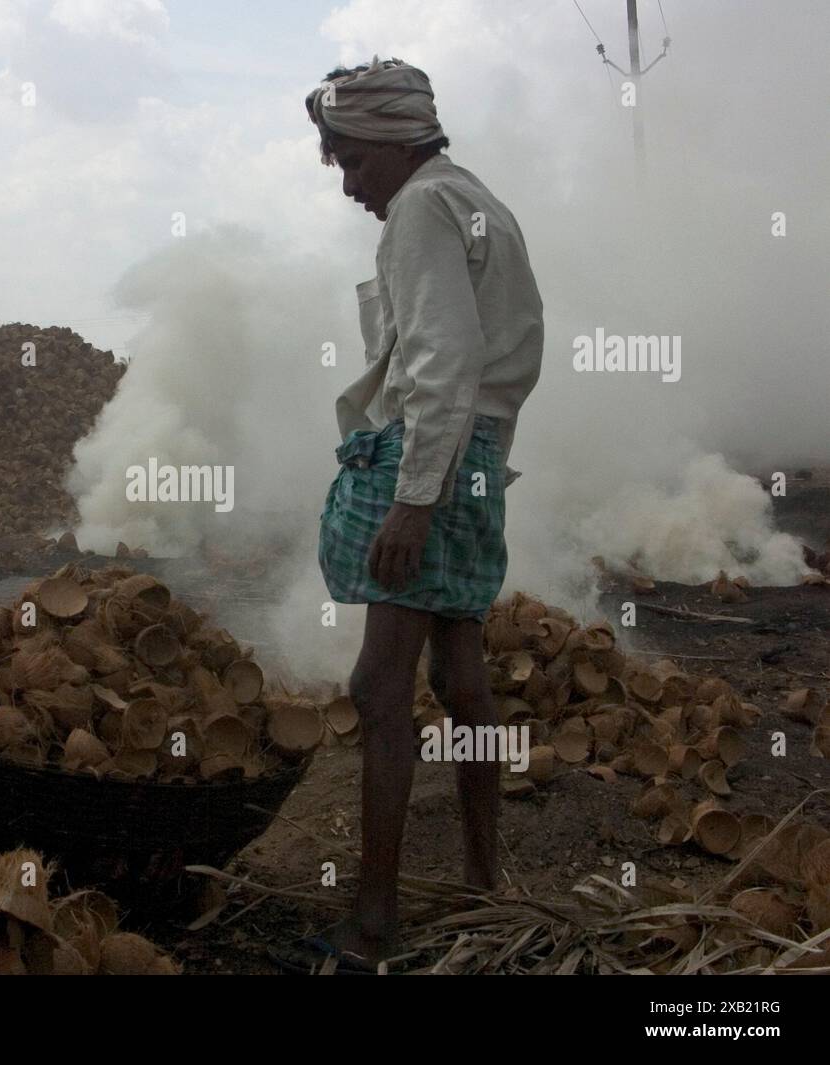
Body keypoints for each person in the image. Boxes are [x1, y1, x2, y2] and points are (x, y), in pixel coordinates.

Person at [289, 58, 544, 972]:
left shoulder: (420, 210)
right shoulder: (480, 203)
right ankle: (484, 886)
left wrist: (411, 500)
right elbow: (488, 356)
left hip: (428, 456)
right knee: (463, 676)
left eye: (353, 161)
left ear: (398, 143)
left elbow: (440, 358)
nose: (351, 184)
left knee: (379, 686)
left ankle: (371, 926)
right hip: (477, 456)